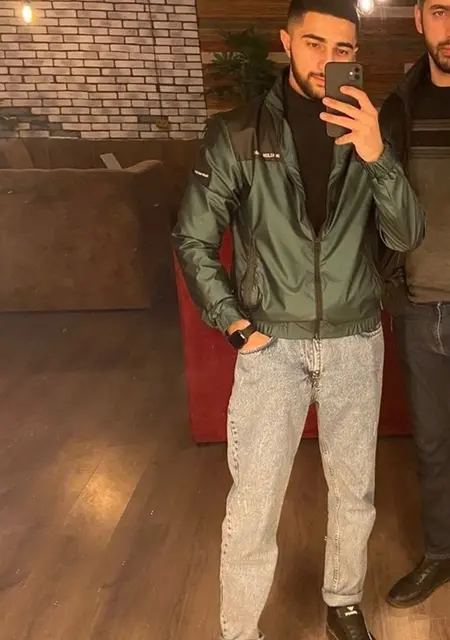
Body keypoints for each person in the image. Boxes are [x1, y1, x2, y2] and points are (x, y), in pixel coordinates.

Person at [173, 0, 425, 637]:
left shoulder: (372, 130)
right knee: (254, 501)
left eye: (344, 50)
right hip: (271, 347)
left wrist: (377, 154)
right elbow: (193, 237)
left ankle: (343, 603)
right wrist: (234, 322)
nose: (328, 60)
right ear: (287, 42)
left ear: (355, 56)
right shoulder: (236, 133)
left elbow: (406, 234)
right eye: (315, 44)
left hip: (355, 340)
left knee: (354, 491)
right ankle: (239, 631)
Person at [380, 0, 450, 609]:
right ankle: (440, 553)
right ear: (420, 21)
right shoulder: (395, 111)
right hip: (421, 306)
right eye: (442, 11)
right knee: (432, 445)